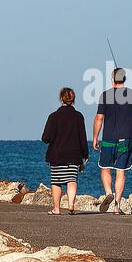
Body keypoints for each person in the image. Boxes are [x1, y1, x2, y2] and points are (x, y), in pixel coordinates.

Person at [93, 68, 132, 213]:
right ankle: (117, 206)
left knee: (105, 168)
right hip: (126, 138)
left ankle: (108, 192)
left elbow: (99, 118)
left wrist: (95, 138)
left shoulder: (105, 95)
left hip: (108, 137)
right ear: (125, 78)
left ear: (112, 78)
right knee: (121, 171)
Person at [41, 87, 90, 215]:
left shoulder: (53, 116)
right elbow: (82, 138)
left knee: (56, 181)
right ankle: (71, 204)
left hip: (56, 154)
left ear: (61, 98)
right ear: (73, 100)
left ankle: (56, 208)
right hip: (74, 155)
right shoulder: (79, 117)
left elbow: (45, 138)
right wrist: (85, 154)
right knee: (71, 180)